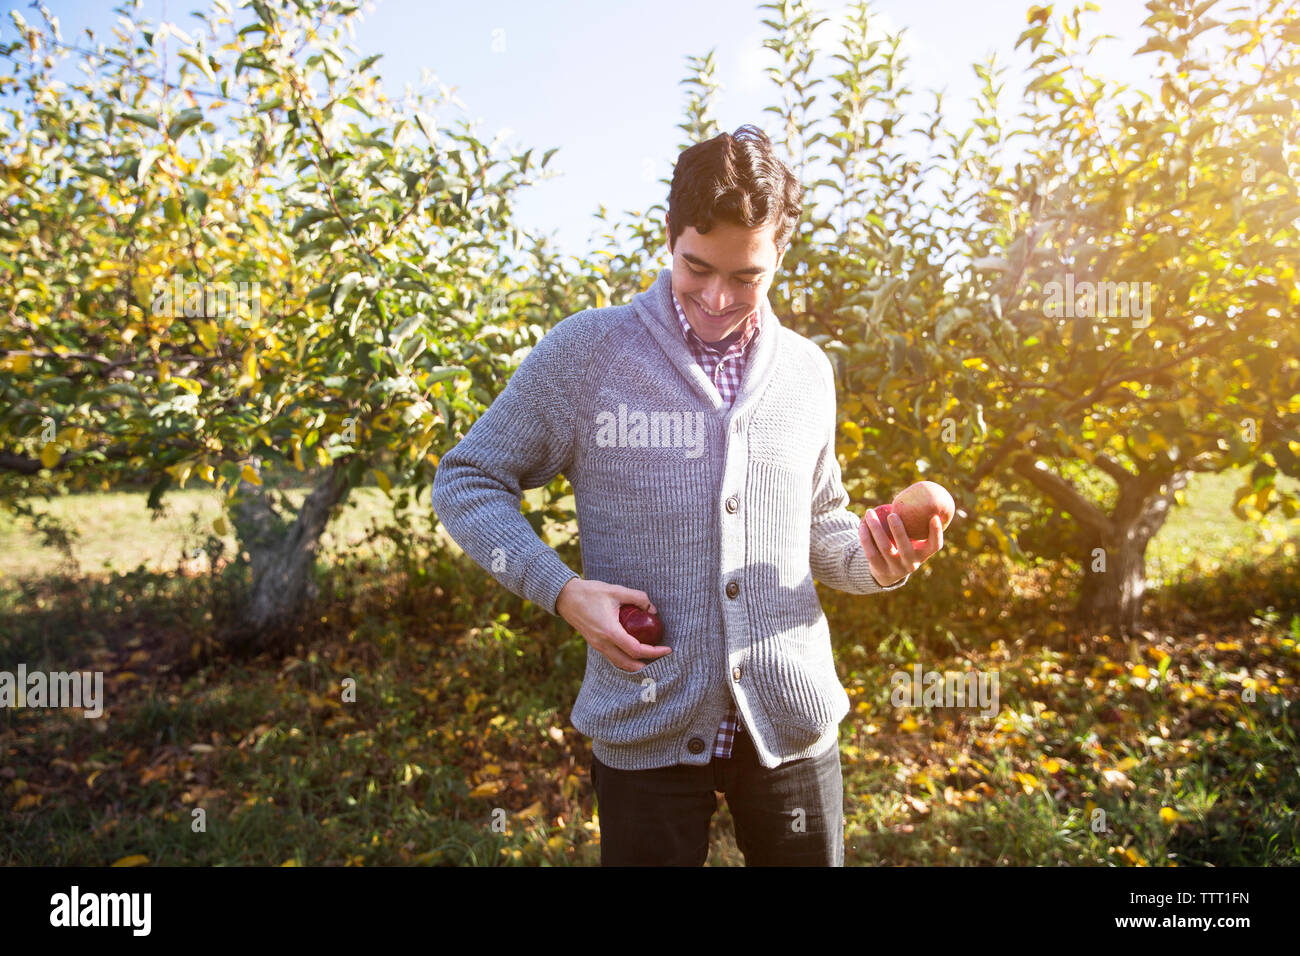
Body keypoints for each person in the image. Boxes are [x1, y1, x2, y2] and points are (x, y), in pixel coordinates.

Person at [431, 124, 945, 866]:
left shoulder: (806, 372)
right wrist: (562, 591)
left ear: (781, 253)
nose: (716, 297)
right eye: (695, 267)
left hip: (790, 726)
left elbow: (820, 529)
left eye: (746, 277)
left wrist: (880, 559)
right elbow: (467, 479)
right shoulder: (589, 354)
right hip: (646, 724)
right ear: (668, 236)